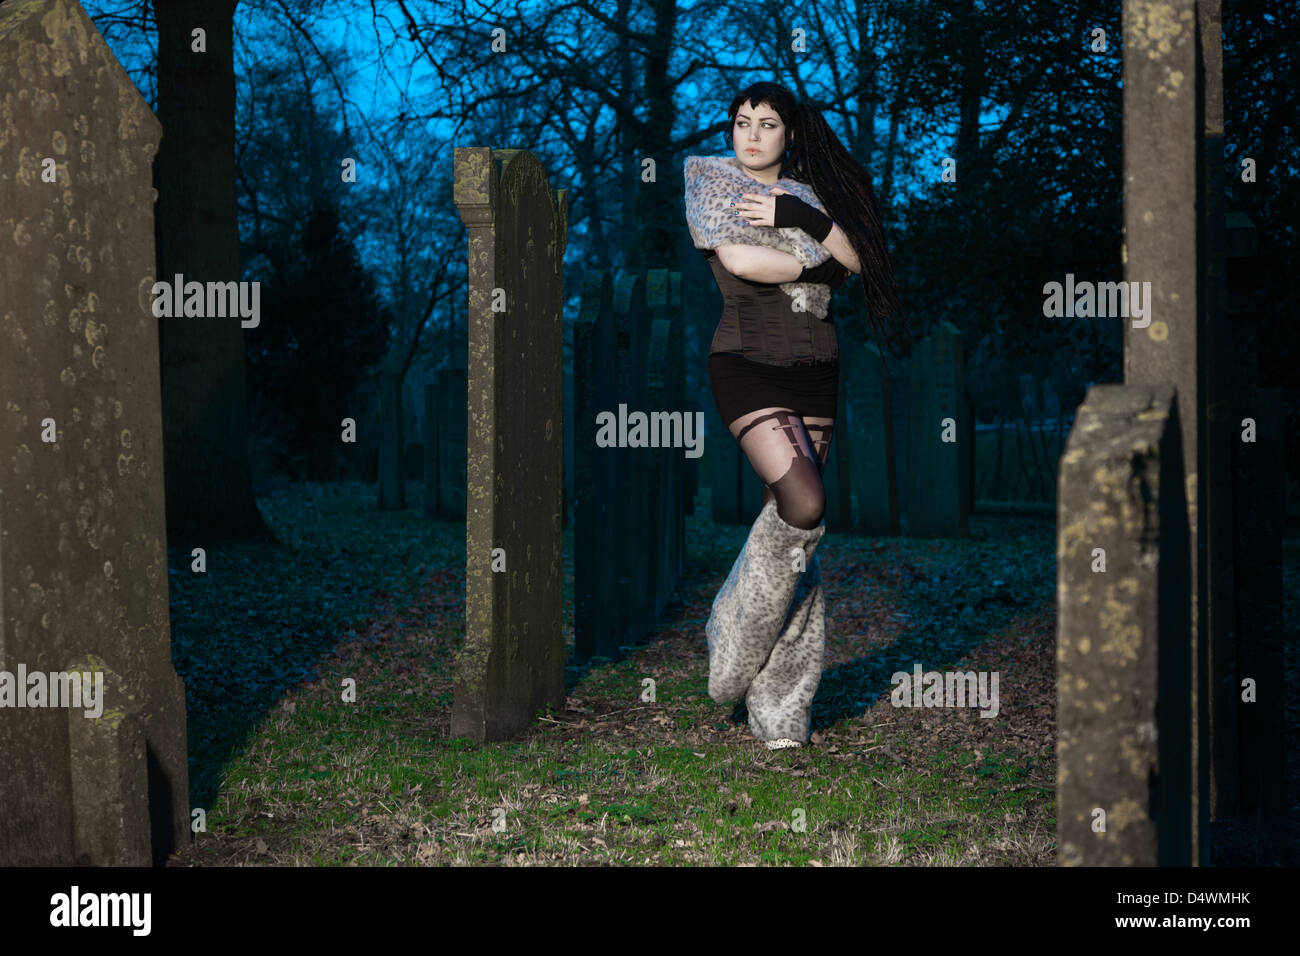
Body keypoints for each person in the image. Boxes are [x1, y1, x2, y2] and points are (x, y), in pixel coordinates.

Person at [683, 81, 901, 750]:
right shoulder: (708, 178)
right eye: (742, 122)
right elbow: (741, 259)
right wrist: (820, 261)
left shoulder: (812, 194)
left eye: (767, 124)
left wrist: (801, 218)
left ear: (789, 134)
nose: (750, 134)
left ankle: (780, 707)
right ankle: (732, 620)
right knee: (803, 505)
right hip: (747, 362)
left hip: (816, 369)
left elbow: (863, 259)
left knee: (800, 547)